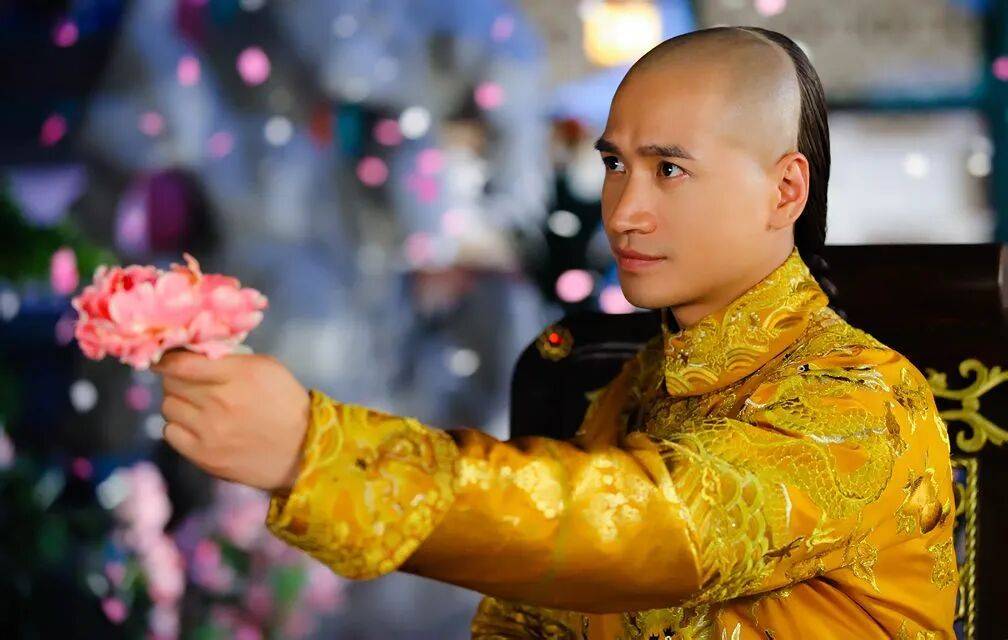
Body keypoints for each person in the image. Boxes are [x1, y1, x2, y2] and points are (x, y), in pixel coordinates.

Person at [152, 26, 959, 639]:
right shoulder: (626, 391)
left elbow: (650, 530)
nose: (625, 211)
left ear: (785, 190)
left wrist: (316, 452)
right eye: (615, 165)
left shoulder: (862, 402)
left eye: (669, 169)